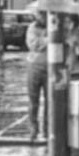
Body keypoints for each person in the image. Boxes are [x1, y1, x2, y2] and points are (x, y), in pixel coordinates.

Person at [25, 15, 48, 143]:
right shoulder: (32, 28)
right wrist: (48, 40)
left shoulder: (52, 27)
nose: (42, 17)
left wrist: (44, 40)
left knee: (49, 101)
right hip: (34, 66)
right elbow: (34, 45)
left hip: (49, 67)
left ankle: (47, 128)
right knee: (33, 100)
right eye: (40, 14)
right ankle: (33, 128)